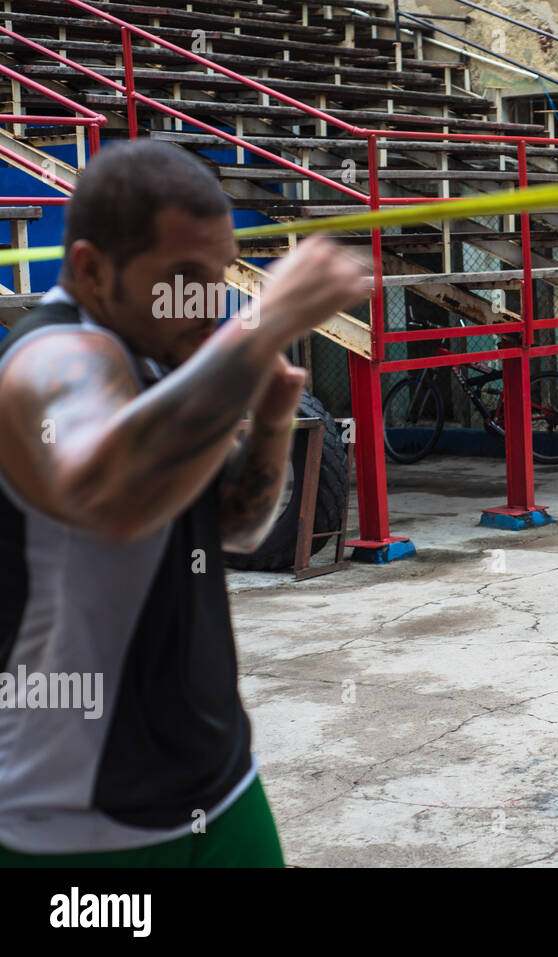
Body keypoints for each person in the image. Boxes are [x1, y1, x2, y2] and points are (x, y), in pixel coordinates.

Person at [0, 139, 368, 866]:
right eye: (181, 279)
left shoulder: (160, 355)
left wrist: (267, 424)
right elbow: (112, 500)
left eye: (219, 278)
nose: (206, 304)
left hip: (220, 786)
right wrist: (262, 322)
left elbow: (234, 526)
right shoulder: (49, 362)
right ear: (91, 270)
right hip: (75, 824)